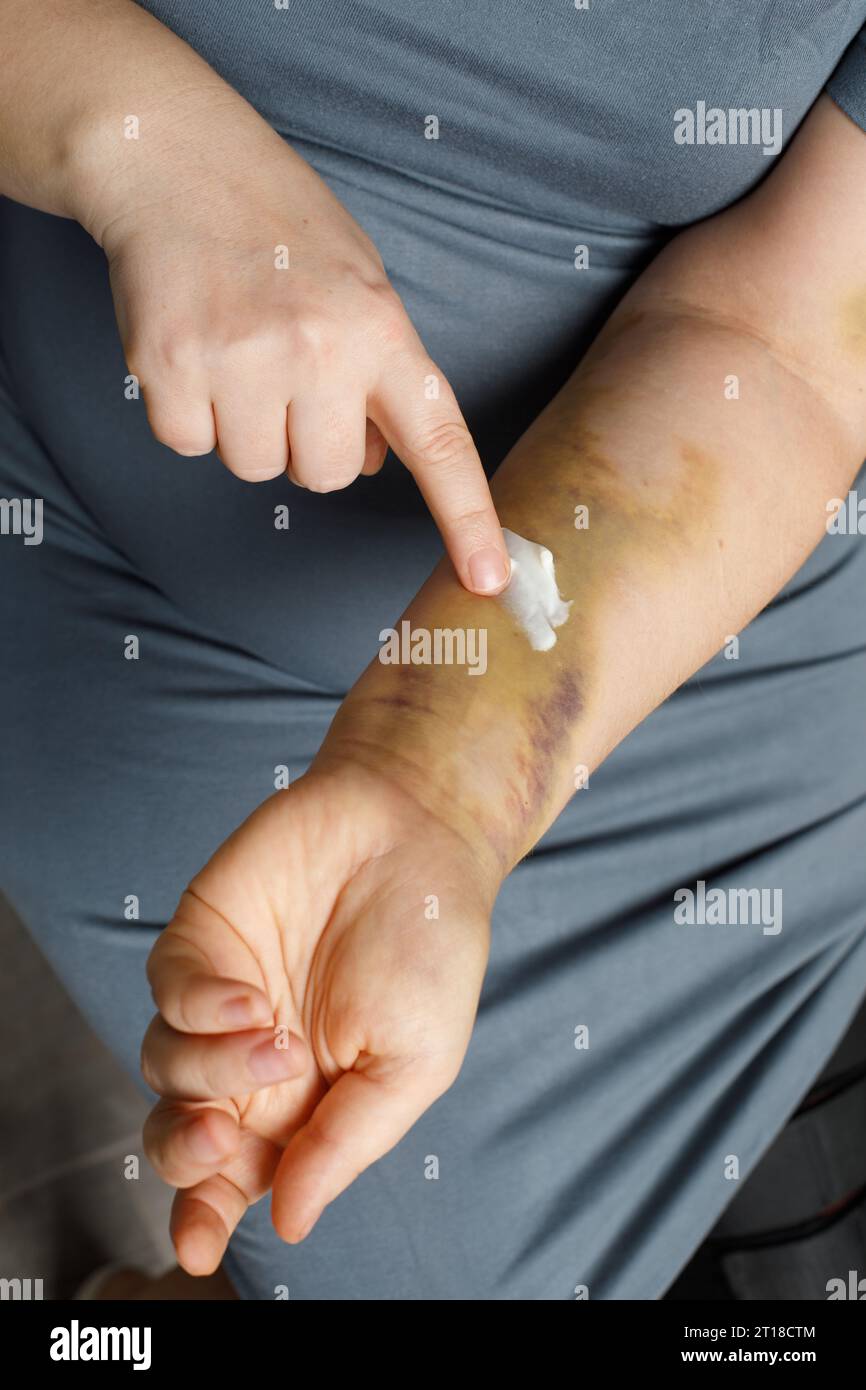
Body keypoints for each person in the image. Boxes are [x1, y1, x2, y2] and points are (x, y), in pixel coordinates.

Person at [2, 0, 866, 1301]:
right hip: (165, 606)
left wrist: (438, 785)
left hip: (660, 621)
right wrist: (136, 136)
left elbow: (788, 340)